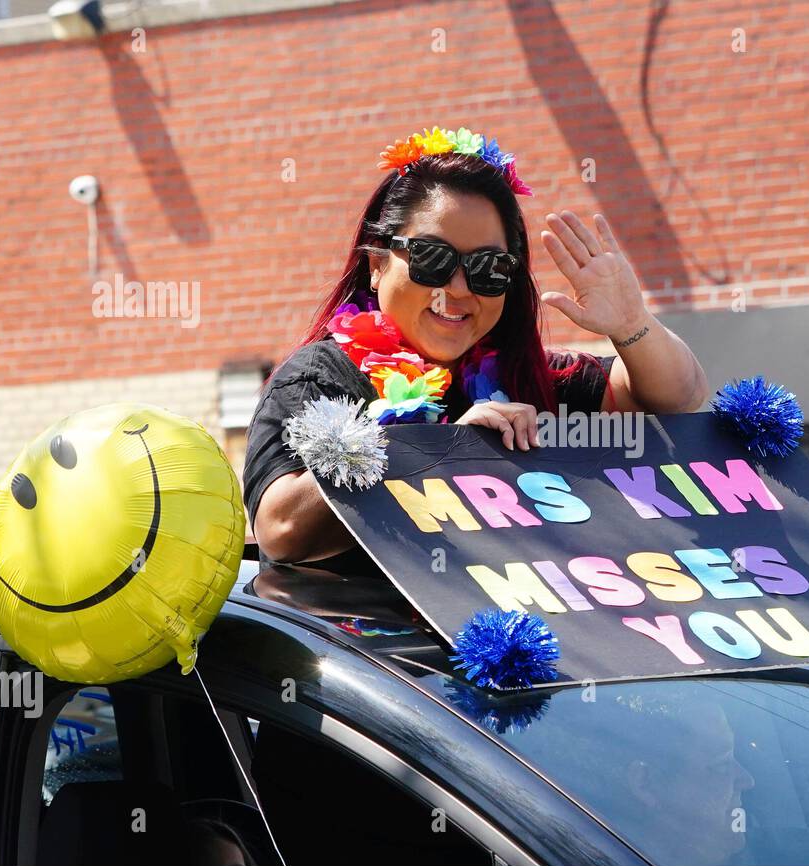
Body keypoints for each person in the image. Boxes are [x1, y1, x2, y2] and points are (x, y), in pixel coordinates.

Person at [244, 125, 708, 570]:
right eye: (432, 258)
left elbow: (678, 396)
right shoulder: (320, 375)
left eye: (488, 268)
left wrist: (632, 325)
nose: (460, 288)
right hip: (374, 650)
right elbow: (282, 529)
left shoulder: (524, 377)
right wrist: (438, 453)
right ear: (375, 265)